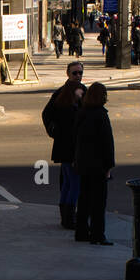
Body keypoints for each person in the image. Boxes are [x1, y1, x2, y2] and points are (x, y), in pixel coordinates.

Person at [42, 60, 85, 229]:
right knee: (72, 183)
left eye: (80, 72)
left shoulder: (85, 92)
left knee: (69, 182)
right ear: (68, 74)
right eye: (75, 73)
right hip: (68, 146)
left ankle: (67, 216)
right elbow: (47, 114)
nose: (78, 76)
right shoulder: (61, 93)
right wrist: (54, 131)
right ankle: (69, 217)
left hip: (74, 146)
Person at [73, 81, 115, 246]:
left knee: (84, 199)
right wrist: (109, 166)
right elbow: (107, 143)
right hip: (98, 165)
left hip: (83, 163)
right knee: (98, 202)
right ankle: (98, 234)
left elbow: (75, 138)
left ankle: (81, 231)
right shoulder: (101, 115)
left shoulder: (82, 113)